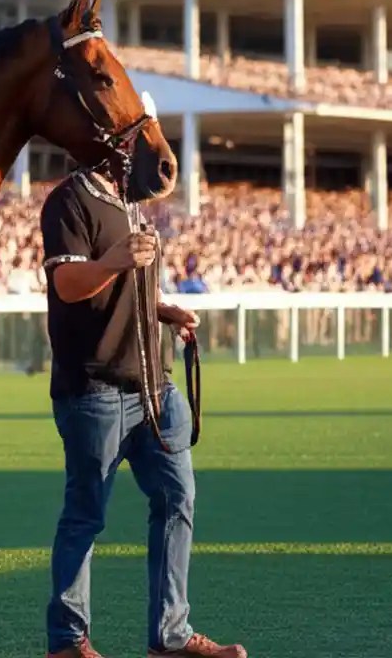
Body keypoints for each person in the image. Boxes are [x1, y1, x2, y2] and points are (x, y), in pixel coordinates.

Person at [39, 171, 246, 658]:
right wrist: (113, 260)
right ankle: (68, 642)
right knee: (85, 517)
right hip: (95, 390)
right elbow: (67, 284)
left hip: (156, 387)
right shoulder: (68, 200)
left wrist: (163, 310)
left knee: (178, 500)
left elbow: (124, 294)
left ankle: (170, 636)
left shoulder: (130, 200)